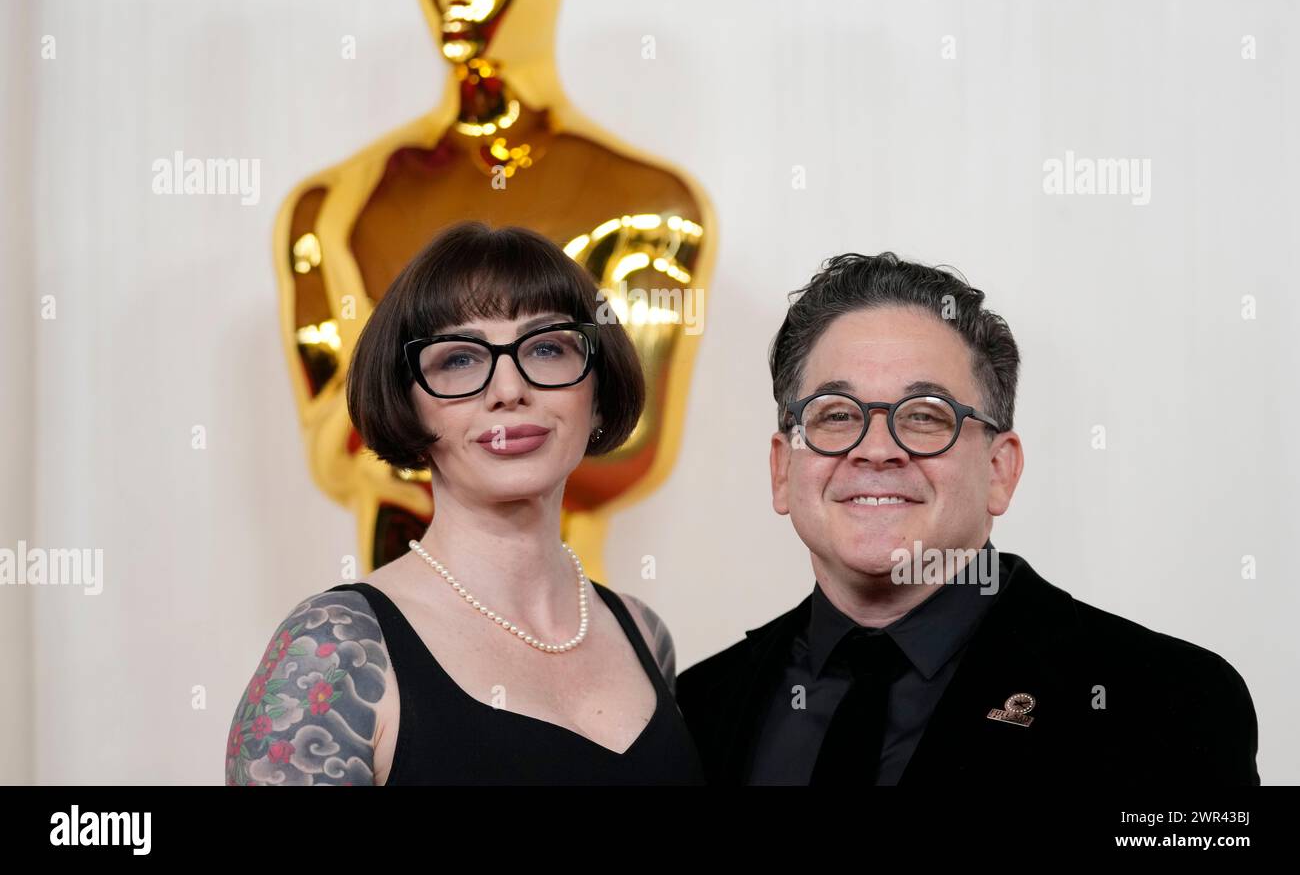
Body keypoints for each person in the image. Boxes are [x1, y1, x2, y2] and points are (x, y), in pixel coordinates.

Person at [675, 251, 1260, 786]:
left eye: (926, 416)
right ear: (782, 470)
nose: (876, 448)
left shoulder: (1168, 703)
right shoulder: (696, 708)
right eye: (835, 414)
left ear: (1000, 470)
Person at [225, 221, 704, 785]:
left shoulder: (643, 634)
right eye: (459, 359)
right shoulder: (334, 646)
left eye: (547, 347)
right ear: (408, 406)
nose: (508, 389)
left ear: (597, 395)